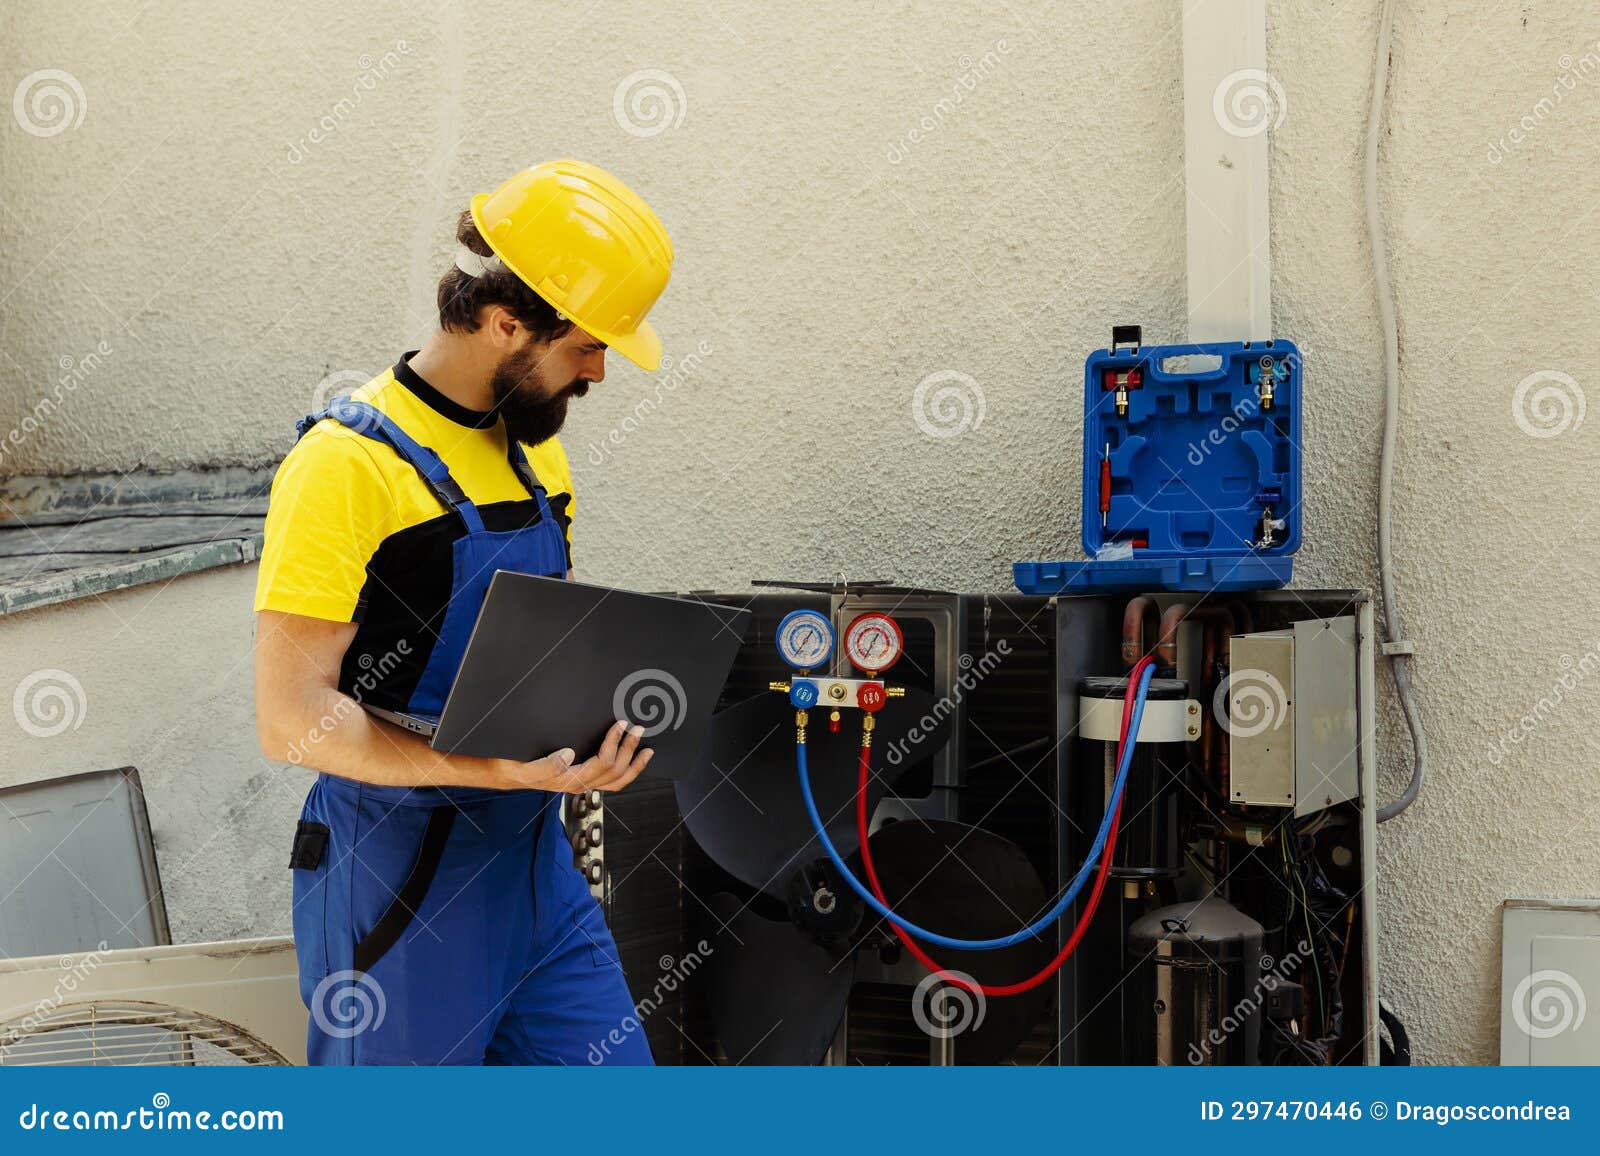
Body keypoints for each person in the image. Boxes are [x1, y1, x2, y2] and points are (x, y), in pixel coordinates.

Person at [252, 159, 673, 1065]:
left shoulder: (536, 453)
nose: (599, 371)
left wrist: (596, 735)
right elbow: (290, 721)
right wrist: (489, 768)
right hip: (402, 879)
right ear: (504, 321)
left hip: (535, 873)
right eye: (587, 346)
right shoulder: (345, 467)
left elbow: (541, 653)